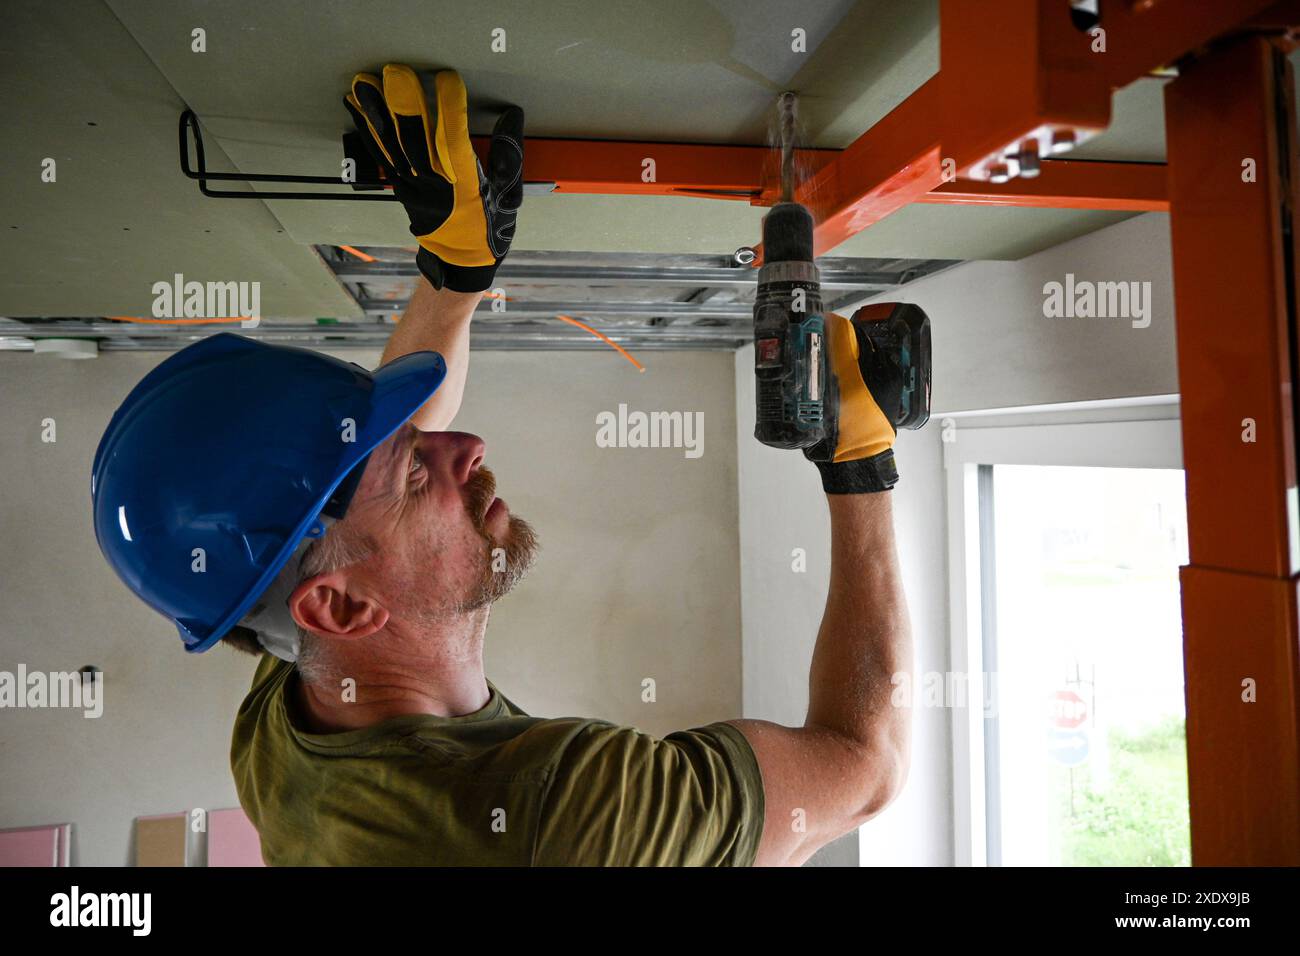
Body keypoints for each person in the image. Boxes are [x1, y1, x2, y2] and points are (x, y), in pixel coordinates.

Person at [91, 65, 911, 866]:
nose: (465, 445)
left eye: (416, 448)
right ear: (337, 606)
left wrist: (454, 275)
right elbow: (865, 768)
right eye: (419, 474)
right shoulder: (560, 823)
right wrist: (860, 468)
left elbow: (357, 487)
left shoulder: (298, 695)